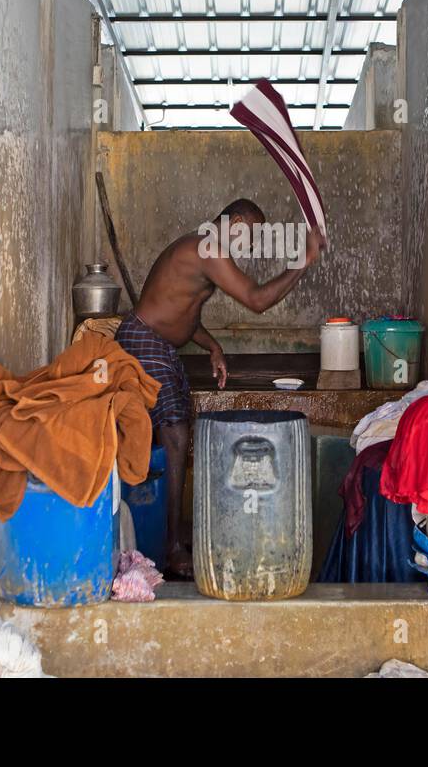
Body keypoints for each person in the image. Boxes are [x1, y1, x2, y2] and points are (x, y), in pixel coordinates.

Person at [115, 198, 325, 577]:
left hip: (156, 342)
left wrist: (212, 346)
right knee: (176, 433)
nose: (253, 245)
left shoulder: (203, 248)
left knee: (175, 429)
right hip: (144, 340)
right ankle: (171, 547)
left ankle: (165, 534)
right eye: (254, 234)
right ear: (237, 222)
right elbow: (257, 300)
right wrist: (303, 261)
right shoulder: (208, 248)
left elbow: (181, 309)